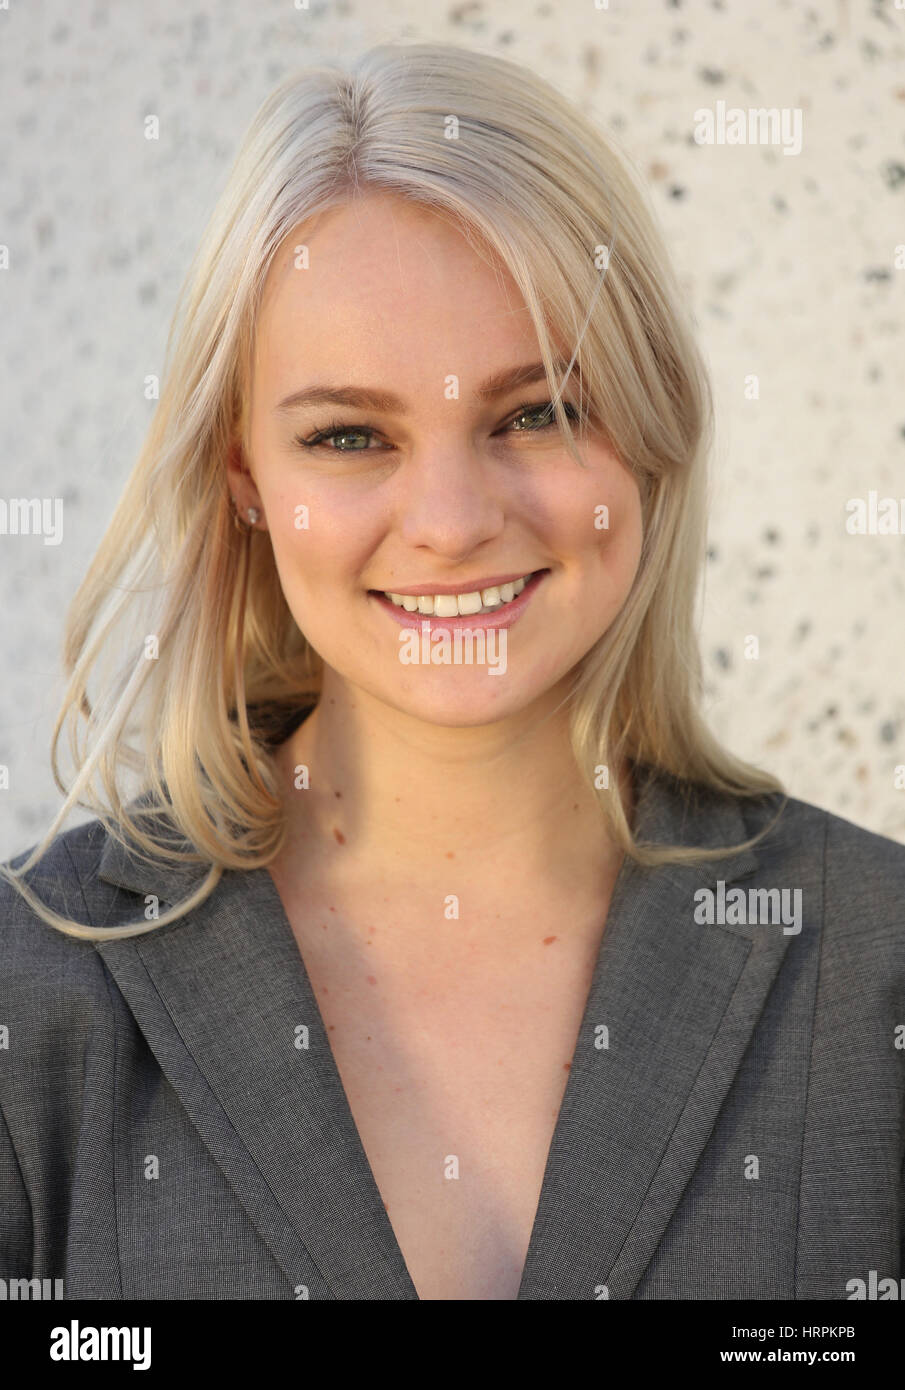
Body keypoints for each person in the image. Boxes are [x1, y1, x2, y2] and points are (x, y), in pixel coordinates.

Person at [1, 40, 902, 1303]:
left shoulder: (873, 965)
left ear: (648, 432)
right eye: (350, 435)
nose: (449, 518)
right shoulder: (35, 995)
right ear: (244, 479)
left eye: (534, 412)